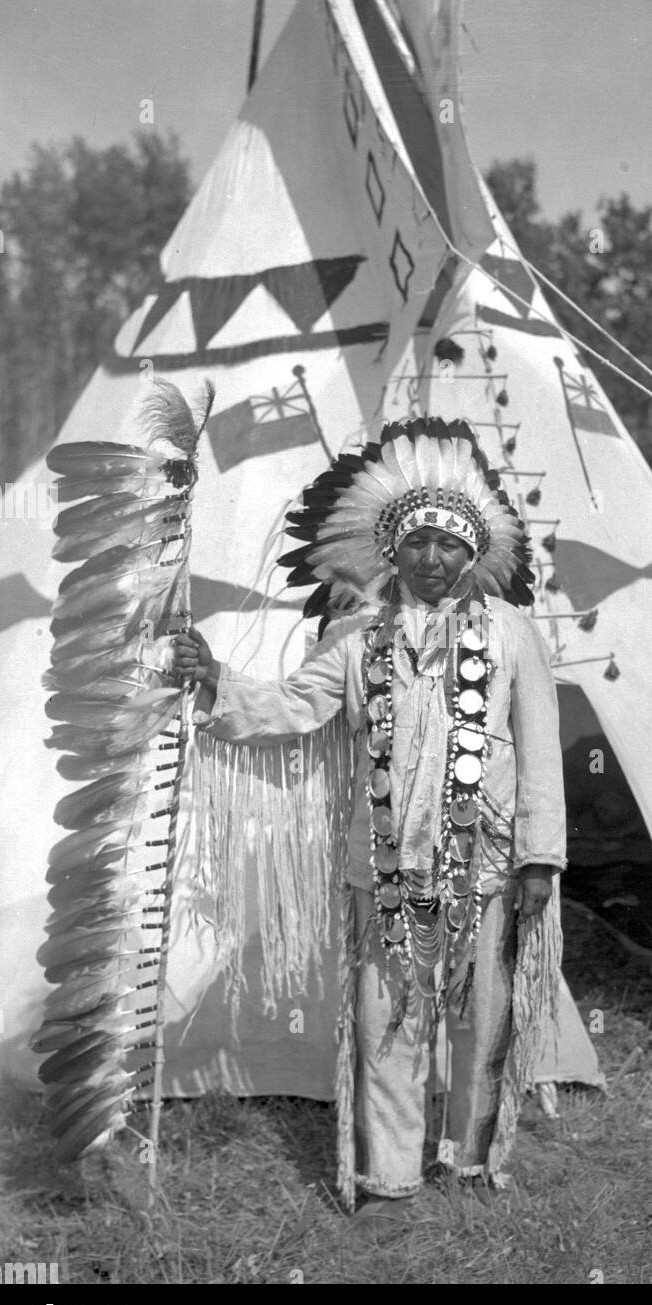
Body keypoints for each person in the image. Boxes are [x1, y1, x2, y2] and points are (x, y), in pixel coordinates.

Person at [172, 417, 566, 1236]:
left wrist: (539, 857)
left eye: (450, 544)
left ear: (474, 554)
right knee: (387, 1018)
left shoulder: (514, 635)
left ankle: (472, 1158)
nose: (433, 558)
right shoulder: (353, 640)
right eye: (417, 541)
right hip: (381, 867)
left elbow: (540, 752)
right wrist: (216, 683)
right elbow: (293, 706)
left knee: (481, 1015)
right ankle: (389, 1179)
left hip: (485, 862)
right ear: (392, 551)